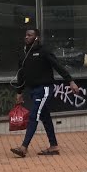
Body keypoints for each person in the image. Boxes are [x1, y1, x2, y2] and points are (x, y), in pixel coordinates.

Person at [12, 27, 78, 157]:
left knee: (34, 115)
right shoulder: (24, 54)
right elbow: (21, 75)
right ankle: (53, 146)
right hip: (32, 90)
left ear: (37, 38)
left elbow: (58, 66)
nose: (27, 37)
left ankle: (24, 147)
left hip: (44, 89)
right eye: (26, 35)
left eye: (30, 35)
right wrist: (19, 92)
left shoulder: (44, 51)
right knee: (45, 117)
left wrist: (70, 81)